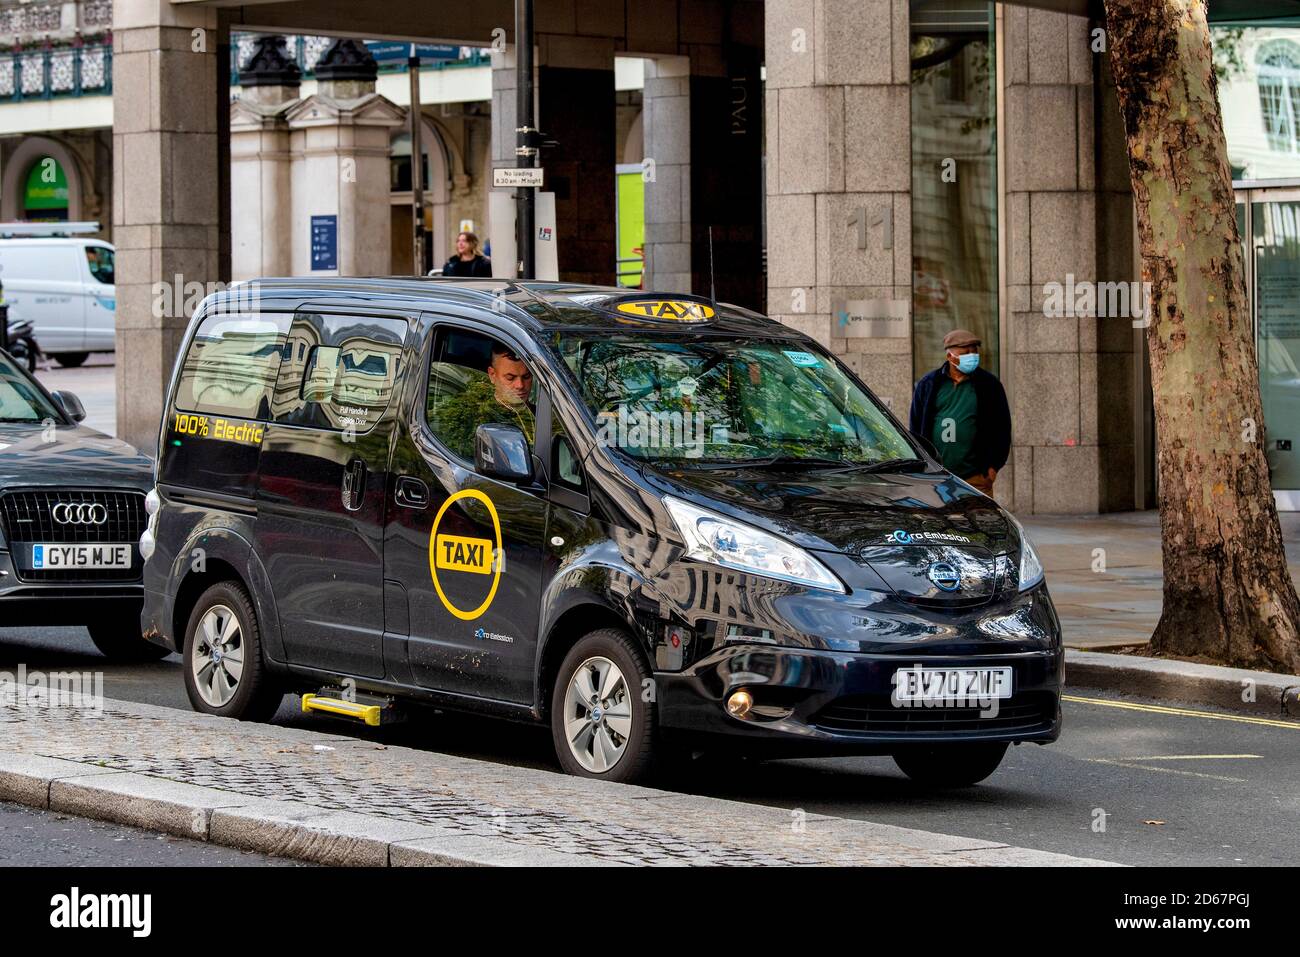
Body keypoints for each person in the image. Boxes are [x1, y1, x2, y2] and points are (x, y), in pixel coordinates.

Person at [908, 329, 1011, 497]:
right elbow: (915, 426)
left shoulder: (989, 385)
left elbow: (1002, 428)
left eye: (974, 352)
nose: (972, 356)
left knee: (978, 514)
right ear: (950, 357)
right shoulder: (929, 384)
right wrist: (922, 464)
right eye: (965, 353)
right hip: (936, 477)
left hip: (976, 477)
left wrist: (992, 469)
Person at [434, 344, 536, 458]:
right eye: (510, 378)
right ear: (492, 375)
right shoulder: (474, 418)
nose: (520, 385)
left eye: (527, 376)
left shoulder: (543, 414)